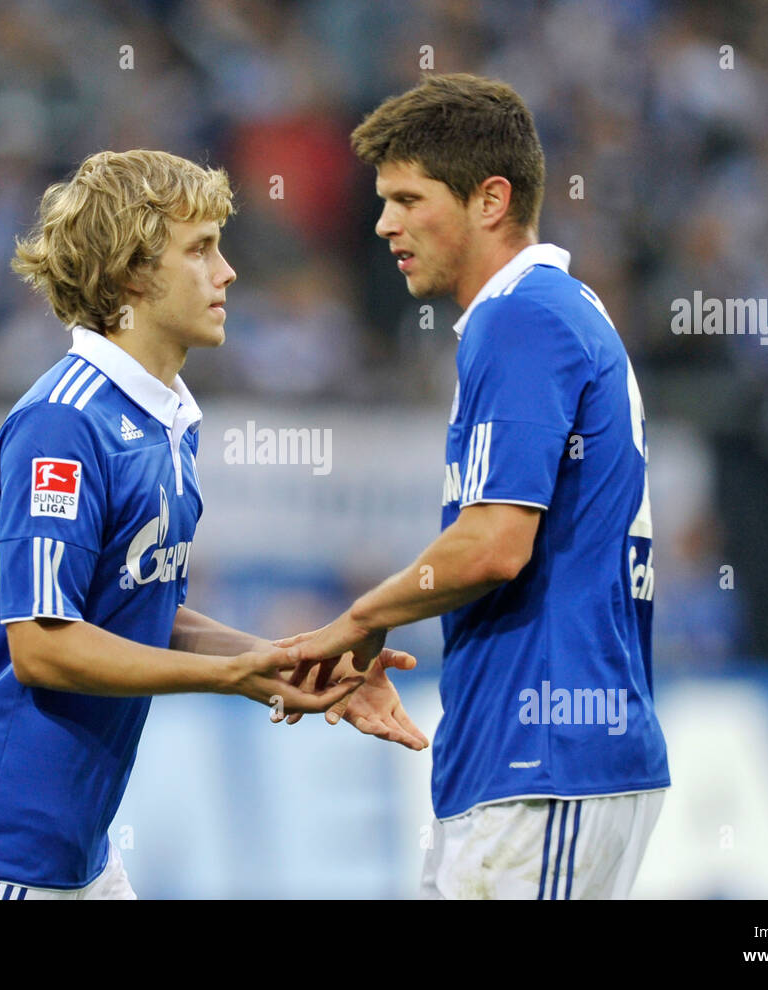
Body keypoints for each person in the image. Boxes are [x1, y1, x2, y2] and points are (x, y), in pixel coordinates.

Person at [0, 149, 426, 900]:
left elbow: (144, 611)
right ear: (133, 273)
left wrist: (286, 663)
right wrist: (228, 676)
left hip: (75, 845)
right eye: (201, 249)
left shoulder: (165, 418)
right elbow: (45, 645)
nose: (228, 272)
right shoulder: (65, 421)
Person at [283, 74, 670, 899]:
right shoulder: (546, 312)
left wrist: (357, 621)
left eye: (407, 198)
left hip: (545, 761)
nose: (384, 223)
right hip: (528, 760)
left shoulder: (521, 318)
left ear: (490, 200)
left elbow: (495, 545)